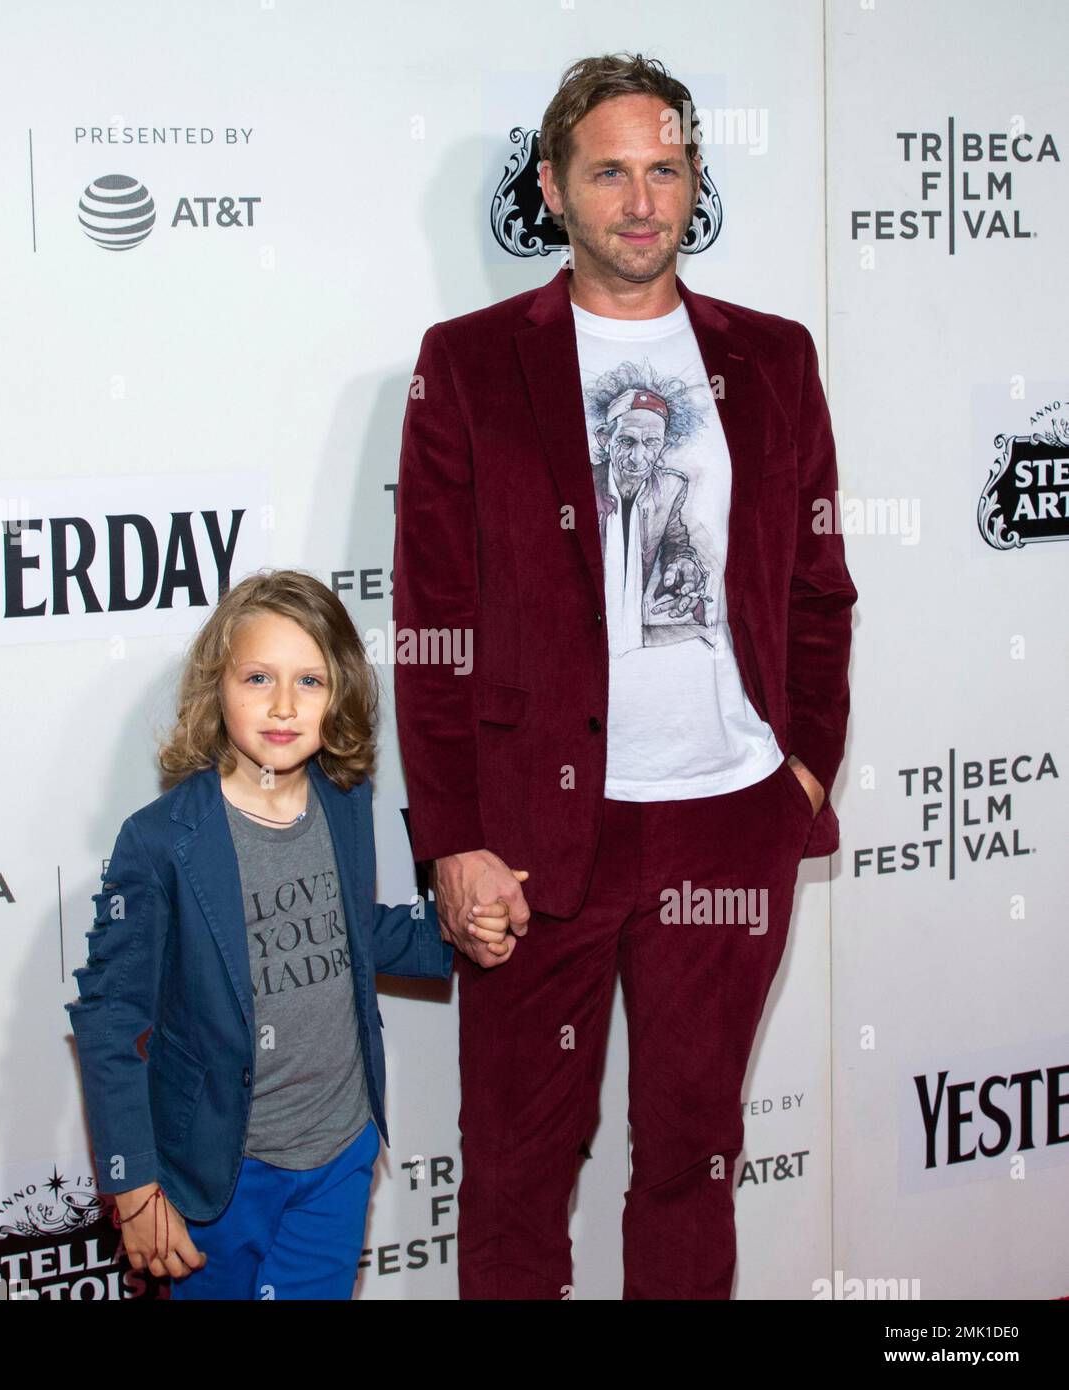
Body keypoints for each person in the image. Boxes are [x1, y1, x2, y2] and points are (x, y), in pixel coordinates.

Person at [391, 52, 857, 1298]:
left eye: (666, 169)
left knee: (691, 1163)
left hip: (729, 816)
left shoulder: (772, 357)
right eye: (610, 172)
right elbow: (430, 624)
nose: (641, 200)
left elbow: (819, 585)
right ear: (552, 188)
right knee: (513, 1176)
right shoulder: (473, 361)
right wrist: (452, 839)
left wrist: (799, 774)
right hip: (536, 843)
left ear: (693, 181)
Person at [64, 569, 520, 1299]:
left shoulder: (345, 800)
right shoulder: (160, 842)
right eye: (257, 678)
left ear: (339, 691)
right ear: (216, 686)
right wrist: (135, 1187)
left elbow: (347, 933)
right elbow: (111, 1020)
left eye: (309, 681)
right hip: (219, 1175)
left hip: (339, 1155)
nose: (283, 705)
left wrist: (452, 932)